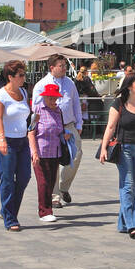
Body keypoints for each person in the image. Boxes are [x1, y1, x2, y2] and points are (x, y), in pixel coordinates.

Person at [99, 72, 135, 239]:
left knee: (132, 187)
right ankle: (133, 224)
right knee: (128, 186)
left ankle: (122, 223)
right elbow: (110, 127)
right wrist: (103, 148)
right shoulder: (119, 103)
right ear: (129, 86)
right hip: (124, 148)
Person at [30, 54, 84, 208]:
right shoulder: (42, 84)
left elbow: (76, 104)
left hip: (69, 125)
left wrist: (79, 124)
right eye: (61, 65)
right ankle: (54, 197)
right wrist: (37, 129)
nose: (64, 68)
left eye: (65, 65)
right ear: (52, 67)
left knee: (75, 155)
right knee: (53, 161)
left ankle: (63, 187)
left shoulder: (70, 83)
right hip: (50, 128)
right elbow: (36, 109)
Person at [0, 60, 32, 232]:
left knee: (24, 177)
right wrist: (2, 140)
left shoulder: (23, 92)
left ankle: (6, 209)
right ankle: (10, 218)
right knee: (8, 179)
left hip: (22, 140)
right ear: (10, 77)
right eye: (20, 75)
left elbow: (25, 116)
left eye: (24, 74)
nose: (24, 78)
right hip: (6, 140)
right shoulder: (0, 96)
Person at [29, 83, 73, 223]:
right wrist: (34, 153)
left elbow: (60, 129)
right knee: (43, 182)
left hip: (55, 151)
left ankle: (48, 209)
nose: (53, 101)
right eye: (50, 98)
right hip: (40, 152)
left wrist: (65, 134)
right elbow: (31, 131)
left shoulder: (58, 111)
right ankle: (44, 211)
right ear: (44, 97)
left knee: (51, 181)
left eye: (55, 98)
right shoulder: (37, 110)